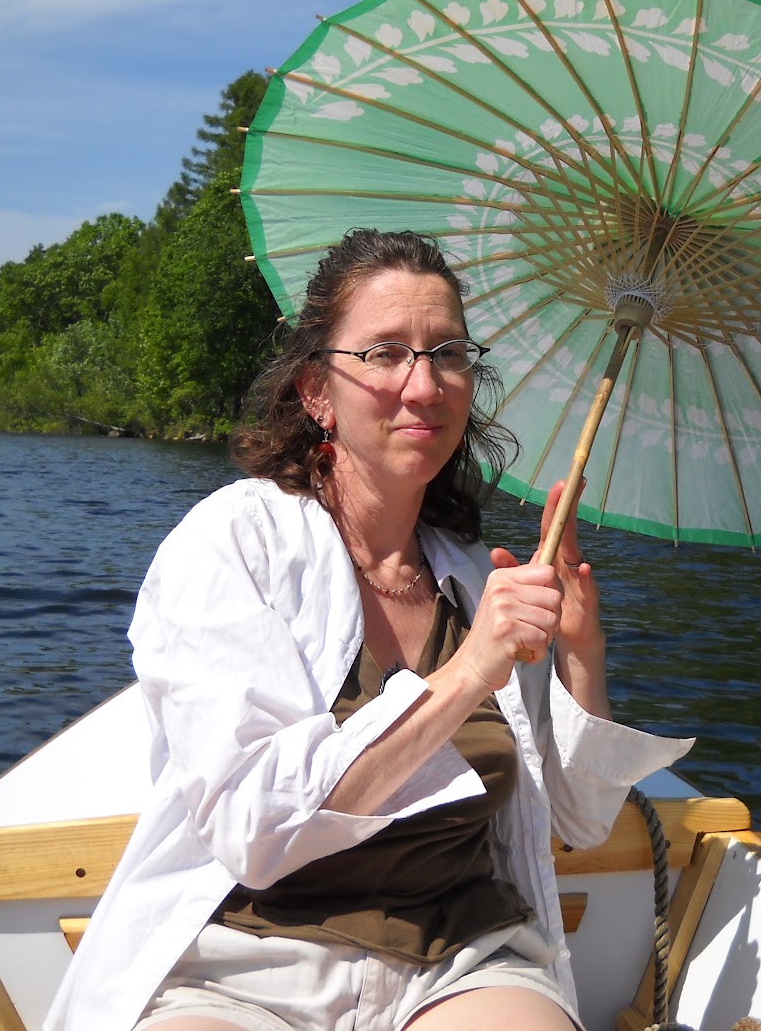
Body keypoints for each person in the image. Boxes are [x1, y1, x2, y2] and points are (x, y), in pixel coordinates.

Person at [45, 228, 692, 1031]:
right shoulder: (233, 544)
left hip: (460, 959)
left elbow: (577, 821)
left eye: (447, 354)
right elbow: (255, 831)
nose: (423, 386)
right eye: (386, 353)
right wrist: (464, 676)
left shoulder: (477, 579)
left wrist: (579, 654)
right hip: (246, 965)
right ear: (318, 390)